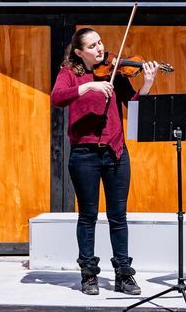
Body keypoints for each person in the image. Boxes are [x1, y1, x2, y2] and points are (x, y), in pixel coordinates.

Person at [50, 28, 158, 295]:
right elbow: (57, 98)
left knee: (118, 217)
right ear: (79, 52)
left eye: (100, 44)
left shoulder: (114, 72)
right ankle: (88, 274)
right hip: (84, 154)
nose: (100, 49)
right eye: (92, 46)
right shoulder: (70, 74)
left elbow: (133, 106)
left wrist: (147, 84)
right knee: (88, 216)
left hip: (116, 152)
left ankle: (124, 274)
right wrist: (88, 85)